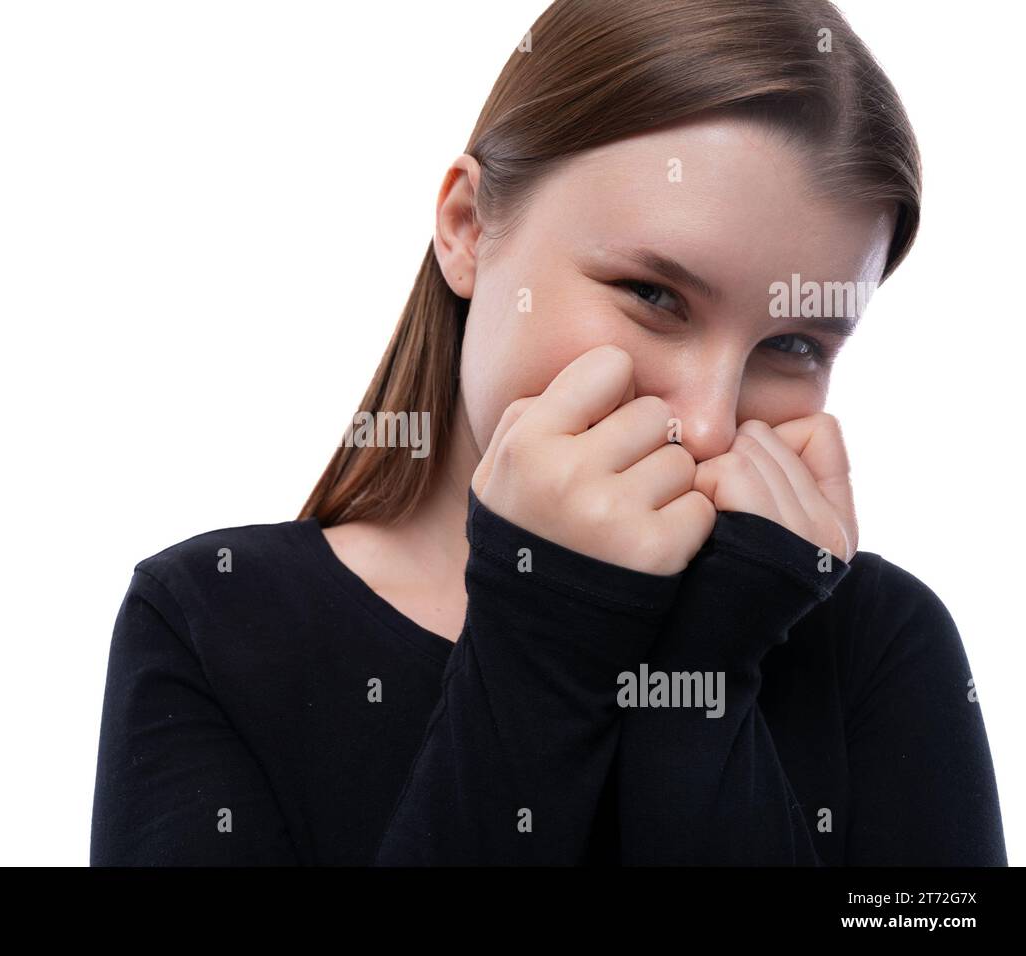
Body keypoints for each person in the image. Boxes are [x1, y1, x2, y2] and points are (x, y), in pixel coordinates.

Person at [89, 0, 1008, 865]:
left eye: (795, 343)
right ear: (466, 230)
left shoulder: (883, 643)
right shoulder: (216, 622)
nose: (706, 419)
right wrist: (543, 632)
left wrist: (705, 681)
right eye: (654, 296)